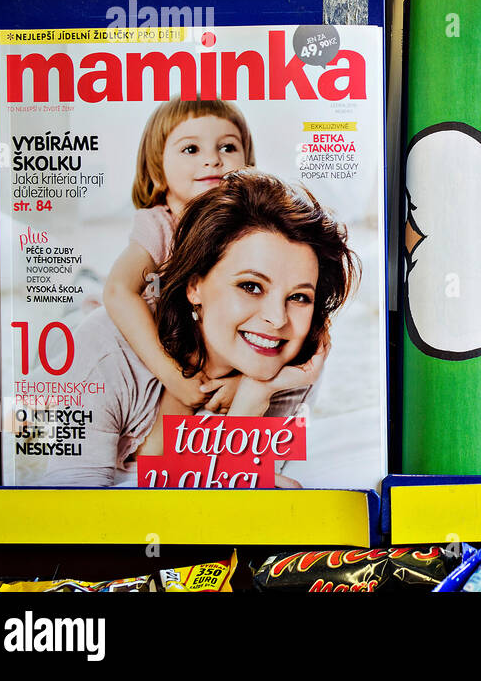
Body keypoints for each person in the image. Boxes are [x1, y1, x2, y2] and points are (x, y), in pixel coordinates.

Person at [45, 170, 360, 487]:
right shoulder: (103, 354)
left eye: (299, 296)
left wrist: (254, 395)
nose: (278, 319)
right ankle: (86, 282)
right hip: (80, 333)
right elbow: (71, 507)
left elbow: (223, 491)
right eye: (251, 286)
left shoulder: (291, 364)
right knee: (77, 311)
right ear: (194, 286)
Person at [103, 99, 257, 412]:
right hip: (160, 339)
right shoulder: (159, 225)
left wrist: (245, 382)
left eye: (227, 147)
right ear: (157, 169)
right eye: (191, 149)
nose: (212, 160)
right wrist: (172, 376)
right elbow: (118, 291)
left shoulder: (253, 228)